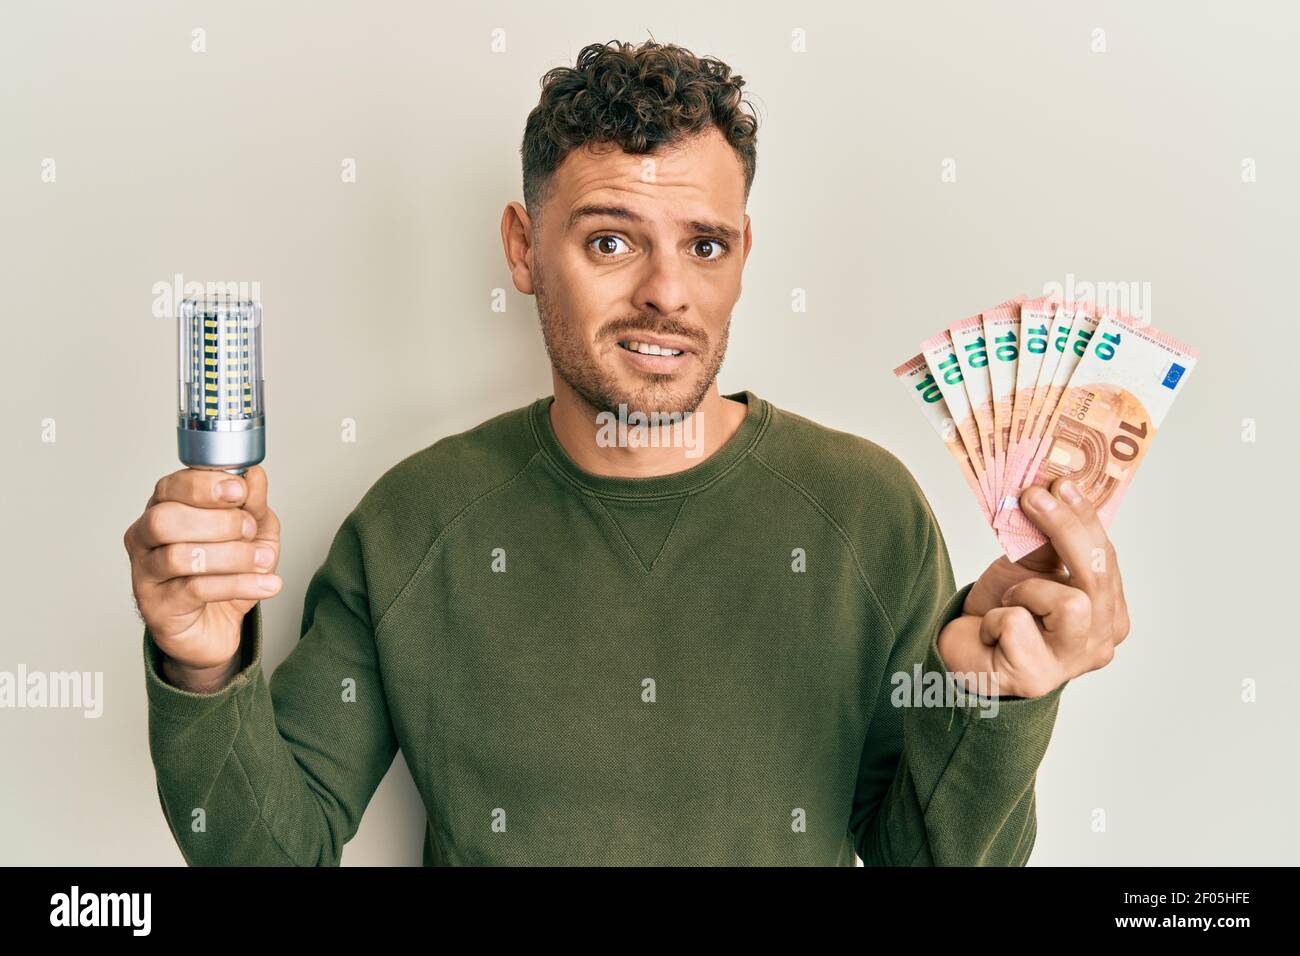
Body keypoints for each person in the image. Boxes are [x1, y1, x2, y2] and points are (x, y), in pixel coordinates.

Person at [124, 39, 1129, 866]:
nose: (665, 292)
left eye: (704, 244)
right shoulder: (412, 521)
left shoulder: (864, 508)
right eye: (610, 240)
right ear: (523, 248)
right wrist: (202, 667)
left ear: (743, 255)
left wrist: (995, 703)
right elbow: (268, 854)